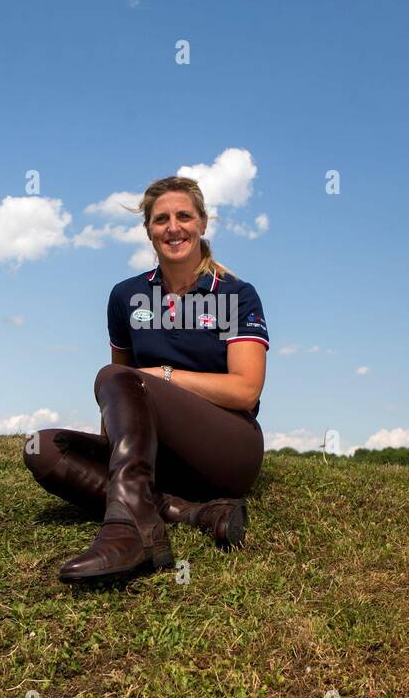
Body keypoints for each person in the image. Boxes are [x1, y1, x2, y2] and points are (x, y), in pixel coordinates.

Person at [22, 175, 270, 583]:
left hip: (228, 450)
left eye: (184, 216)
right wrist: (112, 448)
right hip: (158, 458)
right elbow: (120, 388)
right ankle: (188, 512)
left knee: (119, 376)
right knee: (44, 449)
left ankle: (129, 531)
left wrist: (165, 377)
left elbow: (245, 391)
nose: (174, 227)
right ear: (149, 231)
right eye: (161, 219)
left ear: (203, 224)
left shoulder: (236, 295)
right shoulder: (125, 296)